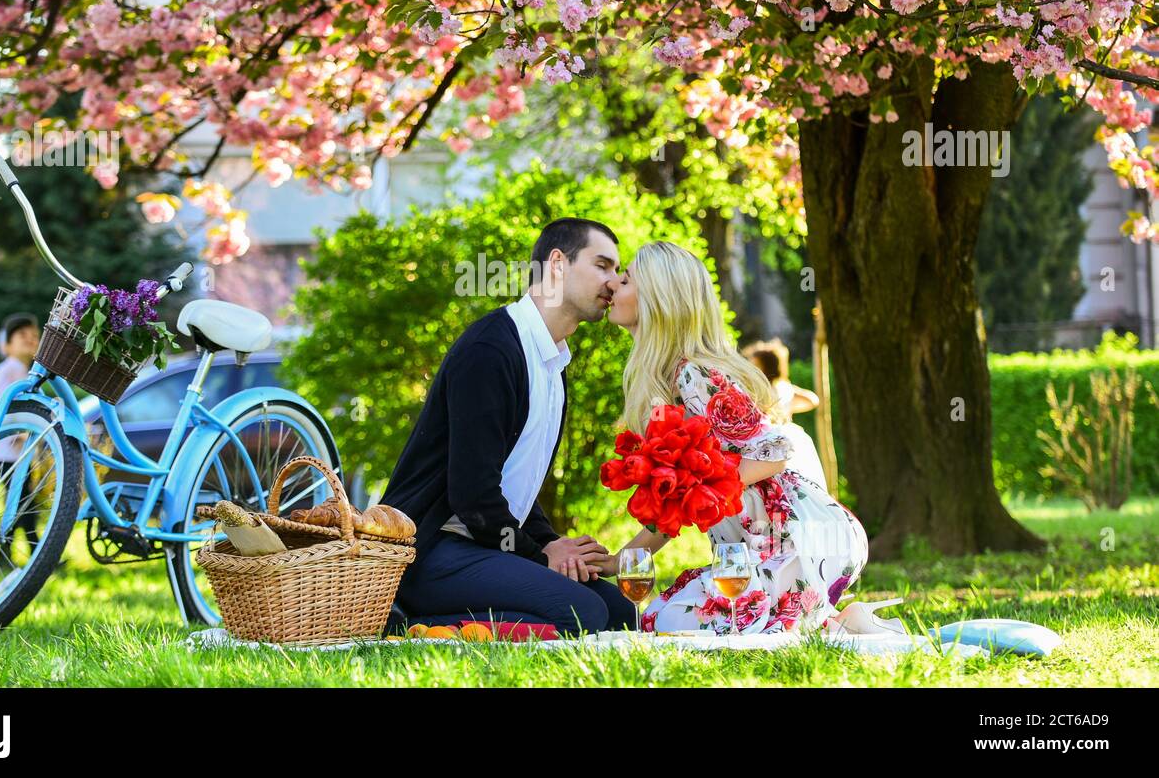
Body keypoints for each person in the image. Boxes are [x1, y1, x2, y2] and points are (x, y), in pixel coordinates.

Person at [597, 242, 898, 636]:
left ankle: (831, 623)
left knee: (675, 624)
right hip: (752, 551)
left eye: (626, 278)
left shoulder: (695, 375)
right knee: (664, 618)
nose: (613, 287)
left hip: (795, 539)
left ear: (657, 296)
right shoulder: (668, 380)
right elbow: (676, 510)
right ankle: (838, 624)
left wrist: (703, 488)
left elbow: (775, 452)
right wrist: (623, 559)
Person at [381, 218, 637, 636]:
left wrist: (549, 544)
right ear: (558, 264)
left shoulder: (553, 360)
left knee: (620, 611)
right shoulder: (492, 349)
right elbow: (472, 496)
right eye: (603, 266)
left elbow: (516, 479)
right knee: (583, 614)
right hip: (430, 552)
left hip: (484, 546)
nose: (613, 282)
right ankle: (407, 622)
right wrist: (539, 557)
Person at [0, 312, 41, 565]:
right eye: (22, 336)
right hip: (8, 451)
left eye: (35, 336)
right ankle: (30, 551)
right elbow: (0, 406)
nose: (30, 340)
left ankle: (9, 553)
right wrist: (19, 431)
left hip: (19, 452)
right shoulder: (8, 370)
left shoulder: (24, 372)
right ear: (6, 344)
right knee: (20, 502)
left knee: (20, 501)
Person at [742, 339, 829, 493]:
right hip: (788, 435)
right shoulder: (785, 387)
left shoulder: (762, 390)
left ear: (766, 367)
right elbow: (812, 400)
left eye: (755, 365)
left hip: (772, 440)